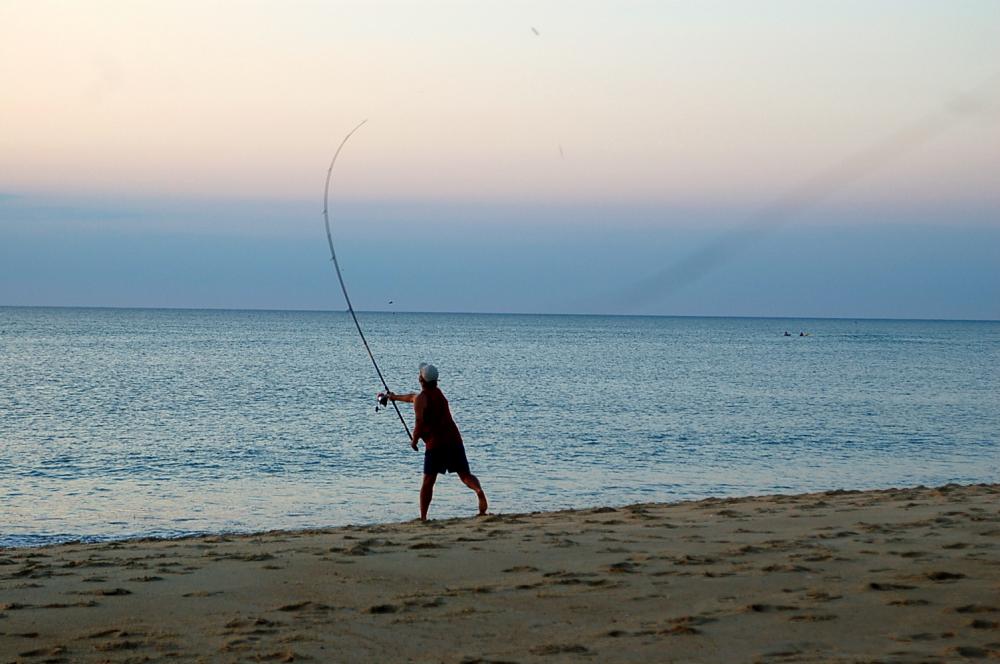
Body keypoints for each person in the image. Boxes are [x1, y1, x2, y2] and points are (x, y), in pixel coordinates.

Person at [388, 363, 488, 521]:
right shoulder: (438, 393)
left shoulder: (422, 398)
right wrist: (393, 397)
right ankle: (478, 491)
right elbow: (412, 397)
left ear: (421, 379)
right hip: (454, 440)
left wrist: (414, 442)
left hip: (436, 444)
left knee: (428, 481)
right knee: (465, 475)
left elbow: (419, 422)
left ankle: (423, 517)